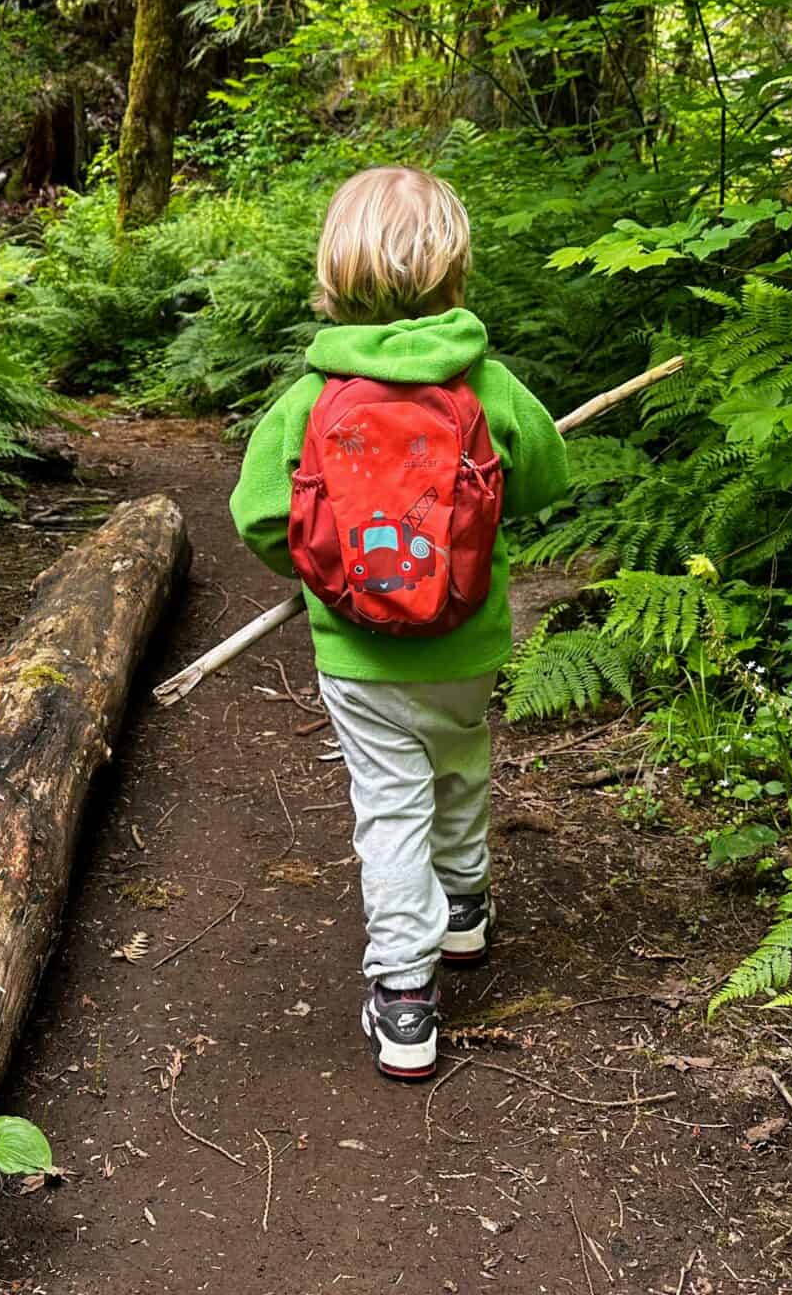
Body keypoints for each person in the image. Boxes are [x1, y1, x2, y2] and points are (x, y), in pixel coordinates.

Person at [229, 166, 569, 1080]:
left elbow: (258, 516)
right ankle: (463, 913)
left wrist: (325, 583)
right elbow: (545, 480)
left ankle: (406, 997)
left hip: (359, 657)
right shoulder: (486, 385)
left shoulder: (311, 400)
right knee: (459, 762)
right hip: (466, 644)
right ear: (456, 274)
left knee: (389, 807)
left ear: (333, 279)